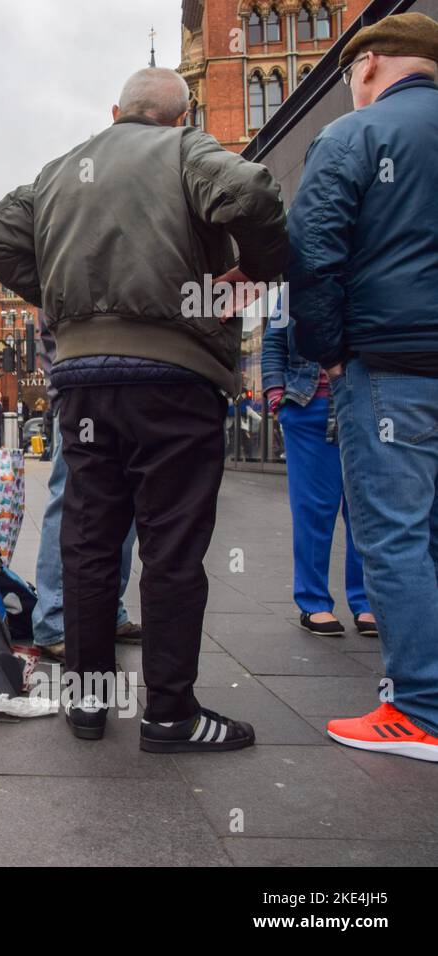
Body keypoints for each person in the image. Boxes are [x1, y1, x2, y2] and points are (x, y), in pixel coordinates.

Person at [0, 66, 286, 753]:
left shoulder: (62, 169)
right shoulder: (186, 150)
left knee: (87, 541)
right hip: (172, 376)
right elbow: (250, 190)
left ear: (115, 110)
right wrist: (257, 272)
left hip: (82, 378)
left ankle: (88, 706)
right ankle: (170, 714)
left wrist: (58, 296)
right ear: (181, 116)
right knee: (171, 547)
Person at [286, 12, 438, 762]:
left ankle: (419, 710)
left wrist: (328, 351)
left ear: (369, 64)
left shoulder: (356, 135)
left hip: (392, 367)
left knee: (396, 535)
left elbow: (313, 253)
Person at [30, 312, 142, 662]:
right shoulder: (68, 257)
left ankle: (108, 610)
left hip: (128, 379)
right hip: (80, 381)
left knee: (125, 502)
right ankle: (54, 621)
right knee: (71, 497)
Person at [261, 294, 375, 636]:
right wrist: (276, 396)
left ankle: (366, 602)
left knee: (364, 511)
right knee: (313, 509)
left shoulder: (365, 277)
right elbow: (273, 344)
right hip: (307, 406)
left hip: (361, 405)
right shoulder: (296, 289)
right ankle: (314, 603)